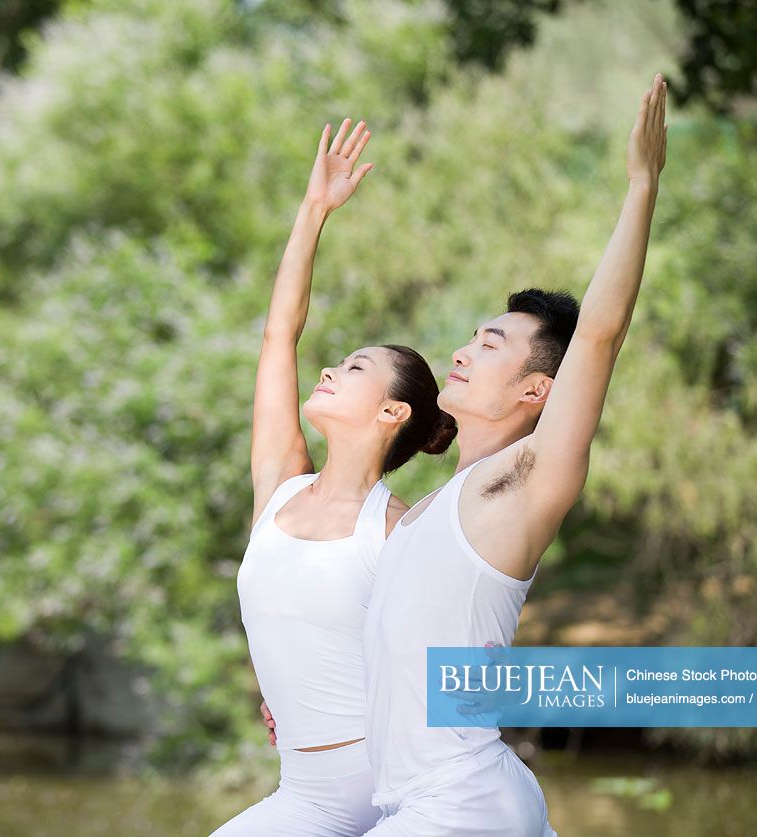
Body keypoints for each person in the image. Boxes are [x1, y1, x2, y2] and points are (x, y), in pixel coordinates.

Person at [358, 72, 670, 836]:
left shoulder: (523, 483)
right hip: (428, 804)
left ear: (537, 391)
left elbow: (597, 335)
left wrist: (640, 184)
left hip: (462, 805)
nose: (463, 351)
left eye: (491, 344)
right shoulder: (424, 508)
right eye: (472, 335)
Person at [210, 117, 457, 837]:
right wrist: (312, 211)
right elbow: (278, 335)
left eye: (352, 367)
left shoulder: (399, 527)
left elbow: (440, 662)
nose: (327, 368)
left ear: (390, 410)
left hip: (396, 786)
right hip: (309, 791)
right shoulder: (279, 483)